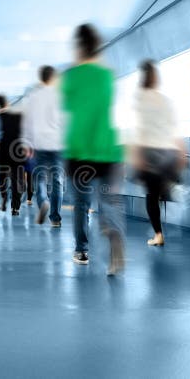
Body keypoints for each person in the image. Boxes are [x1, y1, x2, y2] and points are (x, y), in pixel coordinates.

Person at [62, 24, 126, 275]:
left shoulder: (71, 76)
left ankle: (82, 250)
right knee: (110, 200)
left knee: (81, 202)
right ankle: (113, 235)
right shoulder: (107, 75)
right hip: (108, 149)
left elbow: (67, 106)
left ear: (78, 46)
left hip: (79, 151)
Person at [129, 60, 186, 247]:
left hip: (149, 151)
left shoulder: (139, 97)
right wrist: (181, 151)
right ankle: (169, 186)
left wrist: (135, 153)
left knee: (151, 196)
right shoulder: (165, 99)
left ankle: (158, 234)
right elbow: (173, 128)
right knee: (159, 187)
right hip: (168, 151)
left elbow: (139, 128)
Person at [22, 65, 65, 227]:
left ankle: (43, 202)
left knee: (39, 178)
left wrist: (27, 143)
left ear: (41, 78)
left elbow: (27, 123)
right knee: (57, 181)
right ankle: (55, 218)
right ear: (53, 78)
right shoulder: (61, 96)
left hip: (39, 144)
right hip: (58, 144)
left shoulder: (33, 97)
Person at [0, 94, 27, 216]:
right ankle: (15, 207)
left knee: (2, 177)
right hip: (17, 150)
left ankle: (3, 198)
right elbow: (25, 133)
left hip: (3, 150)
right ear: (8, 103)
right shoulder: (19, 116)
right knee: (17, 180)